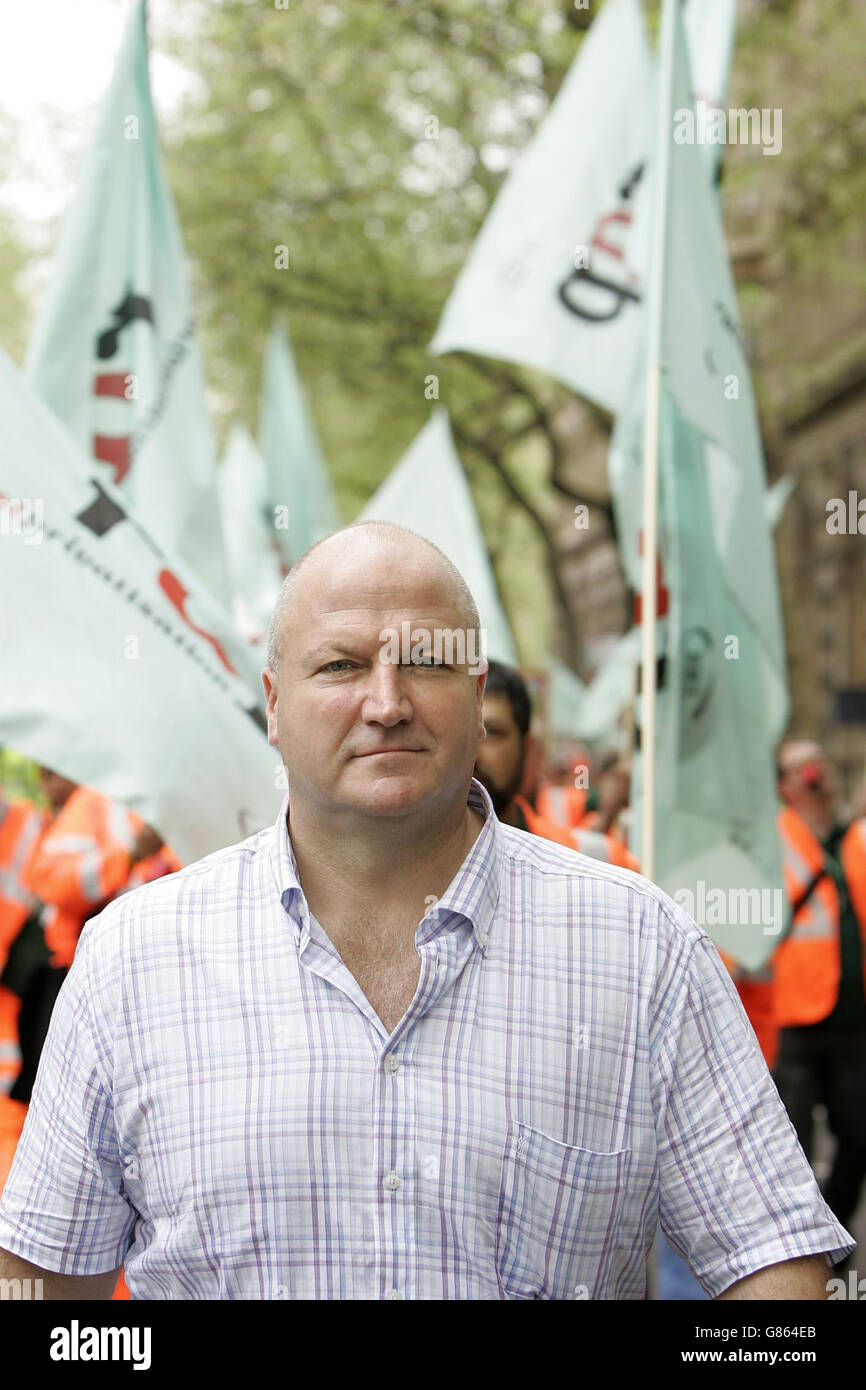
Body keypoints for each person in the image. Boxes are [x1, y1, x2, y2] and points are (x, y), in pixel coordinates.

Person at [0, 523, 853, 1299]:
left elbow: (771, 1264)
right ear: (271, 702)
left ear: (479, 696)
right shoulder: (131, 962)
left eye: (427, 661)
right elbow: (41, 1289)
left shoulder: (642, 949)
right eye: (340, 665)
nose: (386, 702)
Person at [772, 740, 866, 1241]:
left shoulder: (855, 840)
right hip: (795, 1019)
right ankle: (806, 1253)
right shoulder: (774, 841)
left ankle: (832, 1237)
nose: (819, 771)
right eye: (806, 766)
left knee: (858, 1137)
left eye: (822, 762)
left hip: (853, 1020)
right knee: (797, 1153)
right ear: (785, 785)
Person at [475, 661, 639, 870]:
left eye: (492, 734)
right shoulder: (421, 872)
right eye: (459, 733)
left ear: (529, 750)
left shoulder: (593, 859)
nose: (472, 753)